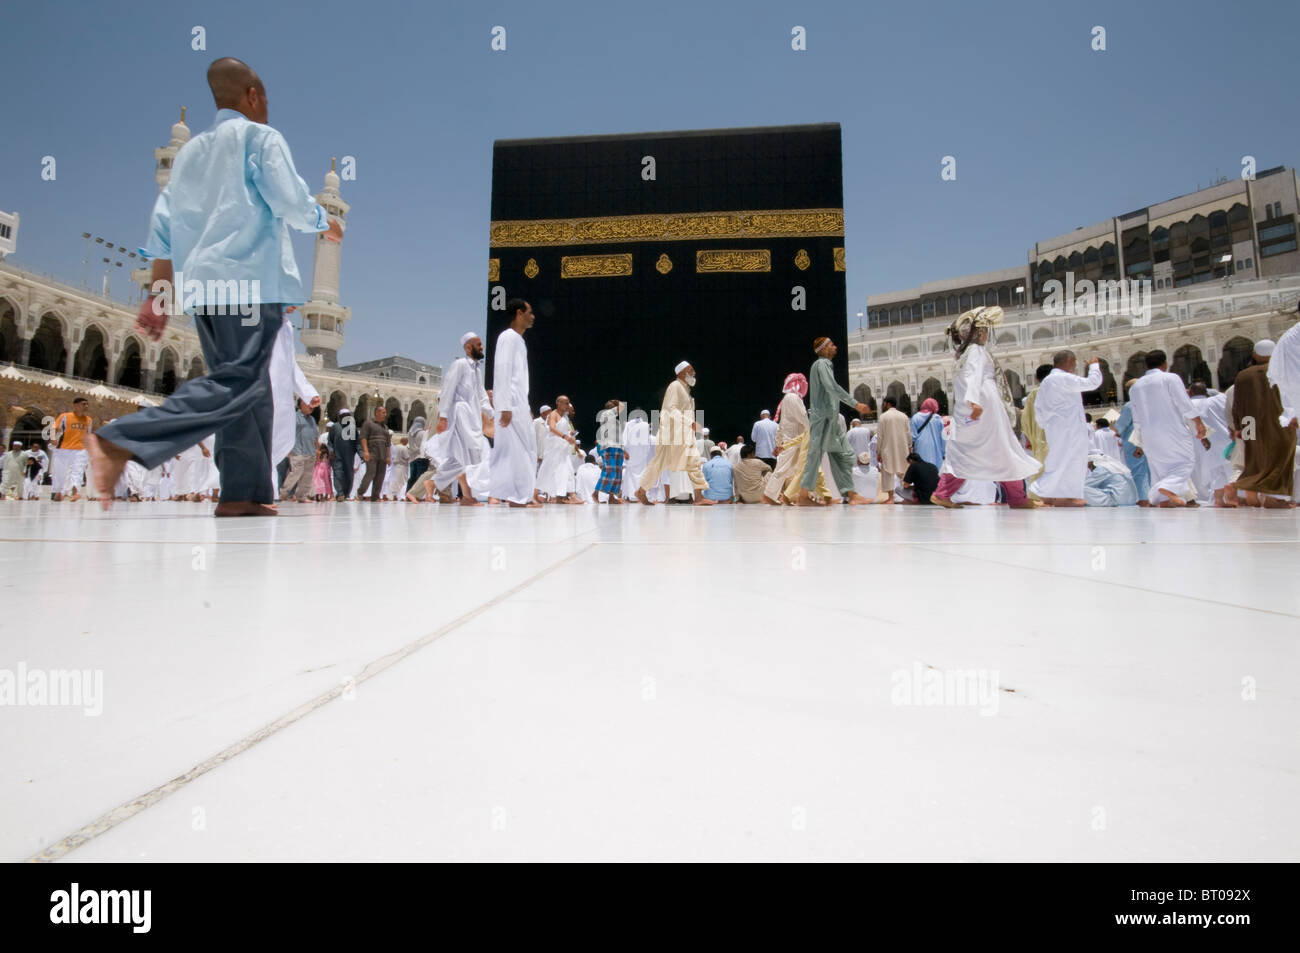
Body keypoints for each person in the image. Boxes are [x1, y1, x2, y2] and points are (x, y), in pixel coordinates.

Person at [87, 57, 344, 515]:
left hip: (204, 290)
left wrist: (159, 295)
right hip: (249, 283)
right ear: (252, 96)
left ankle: (241, 493)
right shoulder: (260, 138)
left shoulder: (189, 155)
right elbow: (288, 197)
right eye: (265, 97)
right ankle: (121, 441)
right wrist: (324, 221)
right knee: (239, 382)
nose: (267, 105)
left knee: (252, 390)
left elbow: (163, 230)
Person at [930, 307, 1041, 509]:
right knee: (1002, 450)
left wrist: (971, 403)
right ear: (978, 332)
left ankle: (943, 493)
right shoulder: (976, 351)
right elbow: (973, 376)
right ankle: (1016, 498)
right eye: (984, 330)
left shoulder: (963, 354)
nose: (987, 334)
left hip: (974, 408)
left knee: (976, 452)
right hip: (983, 409)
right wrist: (975, 402)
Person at [796, 338, 871, 506]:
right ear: (822, 350)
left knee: (843, 454)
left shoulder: (824, 365)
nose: (835, 347)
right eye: (831, 345)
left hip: (831, 418)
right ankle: (803, 495)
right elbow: (831, 387)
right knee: (815, 455)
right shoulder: (822, 364)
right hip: (822, 418)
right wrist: (855, 404)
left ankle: (851, 494)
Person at [1127, 350, 1208, 507]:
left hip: (1149, 433)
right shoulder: (1170, 378)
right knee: (1185, 462)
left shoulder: (1135, 387)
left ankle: (1163, 500)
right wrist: (1198, 421)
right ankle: (1167, 487)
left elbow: (1136, 418)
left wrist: (1140, 440)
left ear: (1145, 365)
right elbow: (1184, 403)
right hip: (1172, 429)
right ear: (1165, 363)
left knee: (1158, 468)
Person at [1029, 350, 1103, 507]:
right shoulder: (1063, 378)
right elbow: (1093, 383)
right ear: (1070, 361)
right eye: (1074, 363)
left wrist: (1048, 425)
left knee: (1058, 460)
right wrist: (1095, 366)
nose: (1075, 366)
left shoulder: (1047, 382)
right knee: (1073, 460)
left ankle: (1049, 494)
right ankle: (1066, 496)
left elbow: (1039, 410)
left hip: (1054, 428)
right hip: (1070, 428)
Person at [635, 362, 713, 505]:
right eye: (691, 370)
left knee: (694, 461)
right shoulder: (675, 386)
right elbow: (671, 409)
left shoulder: (685, 390)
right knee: (658, 464)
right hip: (670, 436)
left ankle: (699, 497)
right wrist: (691, 423)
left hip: (683, 435)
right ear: (682, 372)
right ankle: (641, 491)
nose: (694, 373)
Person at [430, 331, 494, 505]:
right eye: (478, 344)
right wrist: (443, 417)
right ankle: (437, 485)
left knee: (466, 459)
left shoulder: (476, 371)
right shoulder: (459, 364)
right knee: (460, 458)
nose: (482, 347)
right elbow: (448, 390)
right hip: (458, 415)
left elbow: (481, 397)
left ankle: (463, 494)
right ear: (468, 347)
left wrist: (492, 414)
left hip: (471, 418)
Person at [1230, 339, 1296, 507]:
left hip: (1249, 424)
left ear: (1254, 355)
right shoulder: (1282, 371)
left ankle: (1249, 493)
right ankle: (1273, 498)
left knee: (1255, 459)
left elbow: (1237, 405)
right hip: (1280, 423)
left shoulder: (1243, 375)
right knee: (1281, 459)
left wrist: (1238, 427)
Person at [490, 299, 542, 507]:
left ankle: (522, 495)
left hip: (518, 403)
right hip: (510, 403)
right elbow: (502, 371)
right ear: (519, 313)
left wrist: (525, 407)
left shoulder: (518, 340)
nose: (533, 316)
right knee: (515, 450)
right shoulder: (508, 337)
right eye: (530, 312)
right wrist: (504, 406)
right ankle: (518, 497)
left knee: (525, 448)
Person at [763, 372, 826, 504]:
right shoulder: (793, 398)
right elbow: (803, 418)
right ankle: (769, 495)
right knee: (784, 469)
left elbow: (781, 424)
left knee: (800, 470)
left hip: (793, 441)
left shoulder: (787, 398)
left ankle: (798, 497)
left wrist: (779, 442)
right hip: (794, 440)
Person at [1188, 382, 1232, 506]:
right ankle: (1234, 498)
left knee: (1217, 473)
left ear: (1190, 392)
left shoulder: (1190, 404)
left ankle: (1218, 500)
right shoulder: (1219, 399)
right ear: (1206, 392)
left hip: (1209, 442)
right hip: (1227, 439)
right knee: (1232, 471)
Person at [1019, 364, 1053, 501]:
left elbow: (1026, 420)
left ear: (1037, 378)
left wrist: (1029, 438)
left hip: (1040, 439)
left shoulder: (1033, 395)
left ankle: (1037, 496)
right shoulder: (1061, 391)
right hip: (1060, 437)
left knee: (1041, 467)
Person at [50, 397, 93, 501]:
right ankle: (58, 492)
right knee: (60, 472)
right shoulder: (64, 416)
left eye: (87, 404)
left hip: (80, 449)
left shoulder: (89, 420)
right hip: (64, 448)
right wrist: (53, 438)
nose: (86, 406)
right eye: (84, 404)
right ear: (76, 405)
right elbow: (54, 428)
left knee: (78, 471)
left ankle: (75, 492)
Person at [538, 396, 579, 502]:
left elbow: (563, 430)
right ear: (558, 403)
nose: (567, 405)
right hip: (554, 448)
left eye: (568, 403)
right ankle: (538, 493)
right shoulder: (553, 414)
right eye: (565, 403)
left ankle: (568, 496)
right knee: (549, 471)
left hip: (562, 449)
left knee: (568, 471)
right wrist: (565, 437)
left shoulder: (564, 417)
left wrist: (569, 434)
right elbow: (552, 428)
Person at [1114, 392, 1151, 504]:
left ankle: (1143, 498)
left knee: (1138, 469)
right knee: (1150, 469)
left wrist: (1118, 432)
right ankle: (1153, 496)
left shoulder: (1130, 405)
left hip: (1133, 440)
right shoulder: (1150, 403)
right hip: (1150, 439)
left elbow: (1121, 424)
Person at [874, 394, 911, 504]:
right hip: (902, 448)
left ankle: (891, 498)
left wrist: (879, 451)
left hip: (887, 448)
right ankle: (906, 497)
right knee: (903, 472)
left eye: (884, 403)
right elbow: (908, 433)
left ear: (888, 404)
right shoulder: (903, 416)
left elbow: (880, 436)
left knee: (888, 472)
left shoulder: (883, 417)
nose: (883, 405)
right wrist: (909, 446)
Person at [280, 399, 319, 502]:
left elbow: (315, 436)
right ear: (302, 404)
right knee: (296, 472)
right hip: (298, 451)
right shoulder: (294, 417)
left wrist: (317, 449)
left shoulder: (312, 420)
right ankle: (283, 493)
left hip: (310, 451)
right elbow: (287, 433)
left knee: (307, 475)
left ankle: (302, 496)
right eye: (308, 404)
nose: (311, 406)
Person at [592, 399, 626, 504]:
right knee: (609, 471)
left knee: (617, 473)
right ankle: (595, 493)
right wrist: (615, 401)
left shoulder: (613, 420)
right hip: (609, 447)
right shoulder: (606, 413)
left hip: (617, 447)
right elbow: (622, 406)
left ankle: (611, 497)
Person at [355, 406, 391, 502]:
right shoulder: (368, 424)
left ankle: (375, 496)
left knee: (380, 476)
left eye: (385, 412)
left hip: (382, 455)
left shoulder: (385, 427)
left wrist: (388, 456)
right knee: (370, 473)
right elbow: (363, 438)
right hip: (372, 453)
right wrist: (365, 451)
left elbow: (388, 444)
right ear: (377, 413)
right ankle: (360, 492)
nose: (385, 414)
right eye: (383, 412)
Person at [329, 408, 358, 501]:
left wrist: (361, 454)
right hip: (337, 455)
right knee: (338, 474)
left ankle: (346, 494)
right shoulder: (335, 427)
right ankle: (340, 493)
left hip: (349, 456)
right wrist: (331, 450)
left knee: (349, 475)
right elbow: (330, 441)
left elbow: (357, 443)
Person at [909, 397, 946, 470]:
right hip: (936, 449)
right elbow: (943, 437)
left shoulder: (915, 417)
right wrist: (943, 452)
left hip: (920, 448)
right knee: (935, 471)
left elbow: (913, 436)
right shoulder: (937, 419)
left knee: (922, 471)